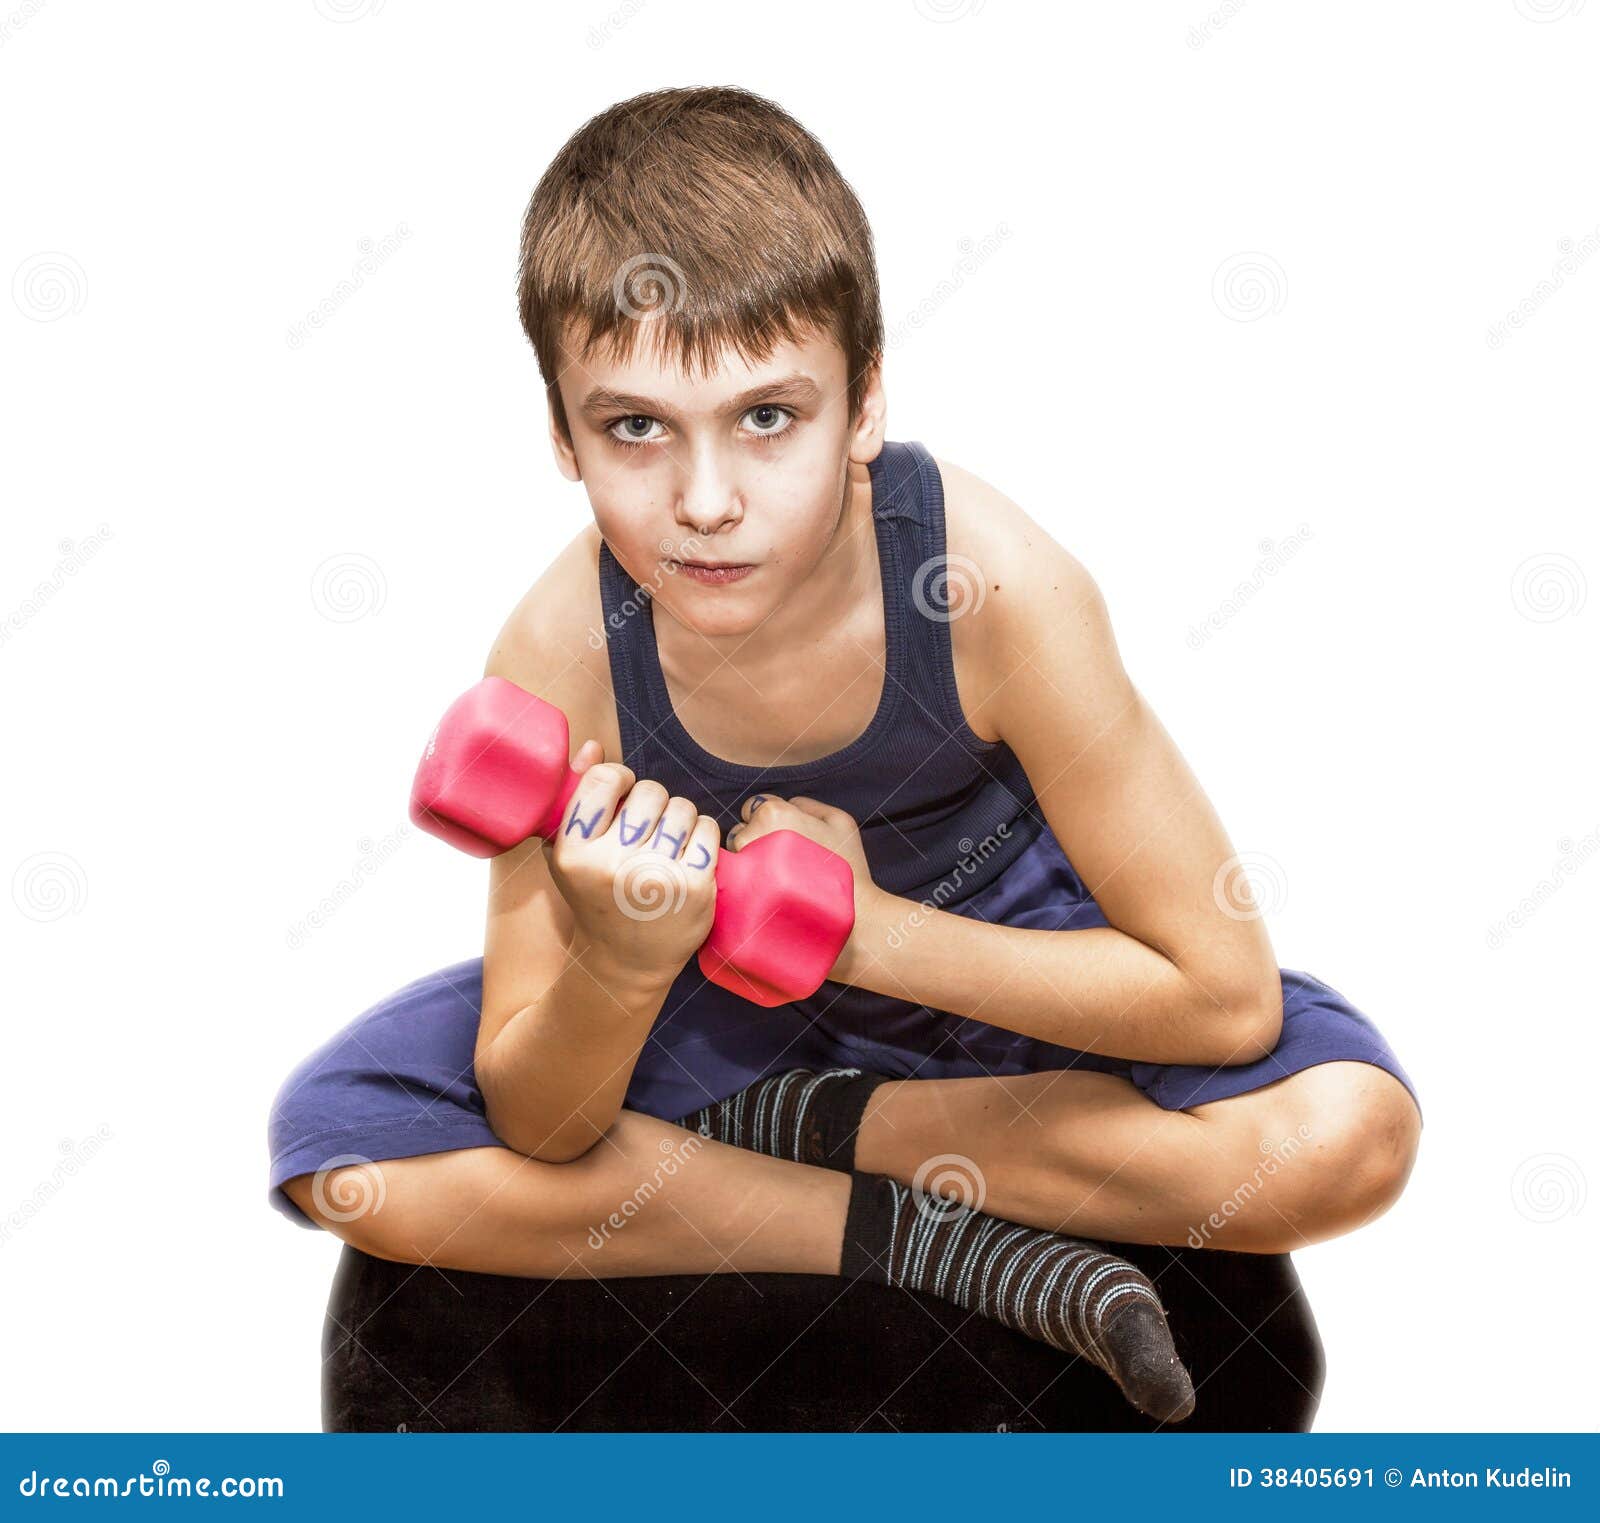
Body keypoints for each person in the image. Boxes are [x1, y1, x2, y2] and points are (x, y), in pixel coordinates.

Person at [267, 85, 1420, 1425]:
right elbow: (545, 1118)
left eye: (768, 418)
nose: (705, 500)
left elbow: (1223, 1000)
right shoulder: (563, 646)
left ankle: (813, 1128)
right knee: (351, 1161)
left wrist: (868, 938)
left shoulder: (991, 585)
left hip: (996, 990)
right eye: (636, 427)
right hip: (701, 1012)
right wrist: (622, 965)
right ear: (563, 436)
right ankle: (932, 1240)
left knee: (1349, 1136)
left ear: (864, 405)